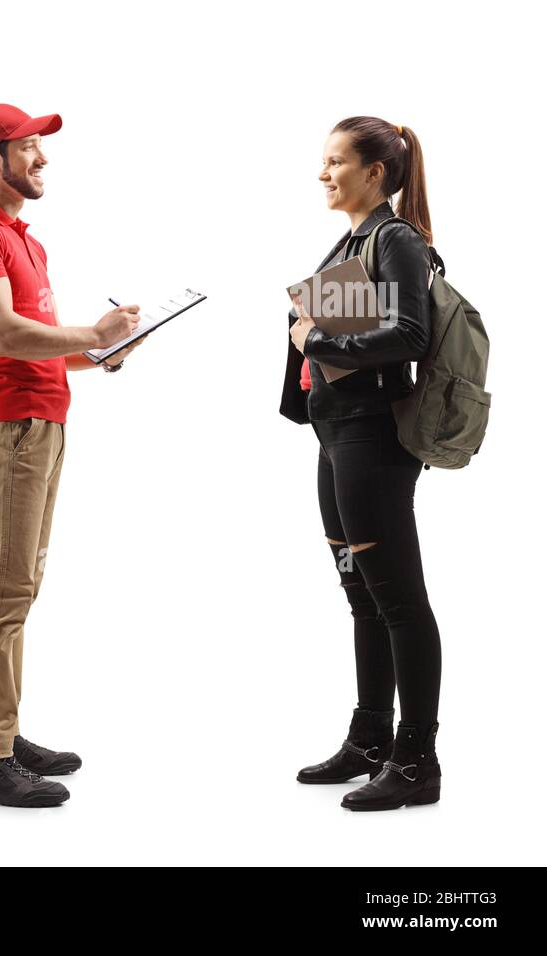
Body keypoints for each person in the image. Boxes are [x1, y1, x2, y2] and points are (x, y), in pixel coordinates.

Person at [0, 104, 144, 808]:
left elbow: (42, 340)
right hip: (10, 427)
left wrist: (101, 351)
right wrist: (90, 329)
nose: (42, 160)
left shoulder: (22, 237)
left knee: (18, 589)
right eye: (28, 149)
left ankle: (3, 728)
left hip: (44, 423)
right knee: (0, 592)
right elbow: (1, 333)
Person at [282, 116, 444, 811]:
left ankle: (417, 760)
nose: (324, 172)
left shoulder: (398, 240)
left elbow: (410, 333)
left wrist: (313, 331)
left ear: (374, 172)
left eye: (335, 161)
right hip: (335, 431)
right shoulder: (354, 241)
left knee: (399, 598)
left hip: (372, 440)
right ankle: (371, 737)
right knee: (363, 592)